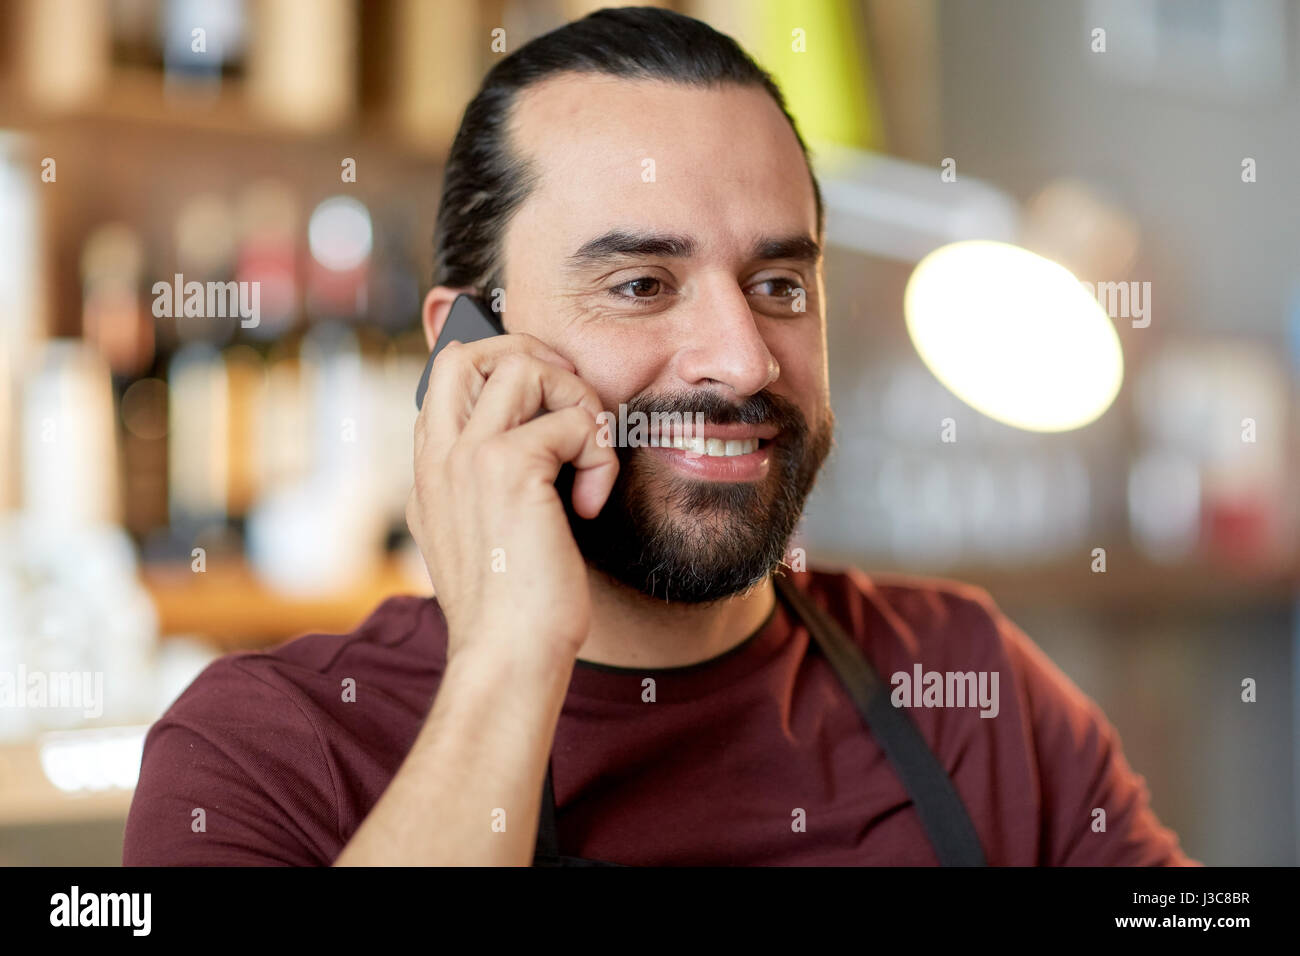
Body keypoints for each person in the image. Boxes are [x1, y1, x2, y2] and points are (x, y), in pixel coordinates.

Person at [124, 6, 1195, 867]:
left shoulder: (972, 688)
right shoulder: (267, 756)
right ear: (467, 351)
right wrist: (507, 660)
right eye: (641, 285)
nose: (741, 359)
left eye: (778, 284)